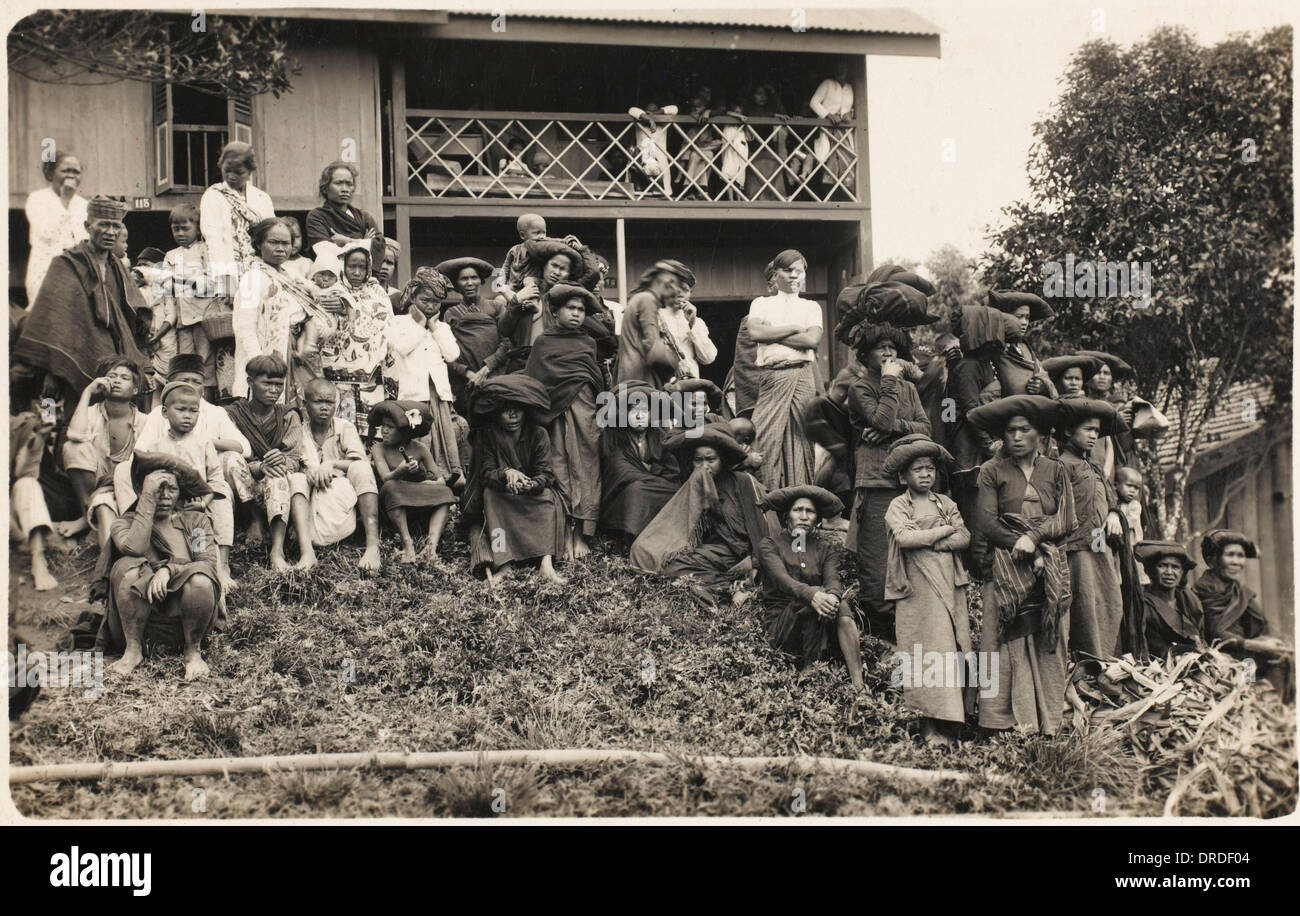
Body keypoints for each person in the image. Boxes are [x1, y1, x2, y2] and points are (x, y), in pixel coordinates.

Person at [968, 395, 1075, 735]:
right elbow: (986, 522)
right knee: (1000, 643)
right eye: (1010, 431)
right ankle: (1001, 723)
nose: (1015, 437)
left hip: (1050, 570)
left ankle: (1049, 722)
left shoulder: (1056, 470)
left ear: (1040, 435)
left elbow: (1067, 518)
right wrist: (1022, 544)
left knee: (1049, 640)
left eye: (1024, 430)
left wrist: (1037, 537)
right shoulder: (991, 471)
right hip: (1006, 568)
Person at [100, 452, 222, 681]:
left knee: (201, 579)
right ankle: (133, 651)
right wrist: (147, 499)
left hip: (187, 619)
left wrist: (168, 570)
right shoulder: (123, 524)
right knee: (128, 568)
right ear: (141, 491)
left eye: (172, 489)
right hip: (141, 623)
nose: (165, 496)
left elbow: (206, 563)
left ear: (181, 492)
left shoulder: (195, 522)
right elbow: (134, 548)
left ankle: (193, 652)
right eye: (158, 489)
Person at [13, 195, 150, 396]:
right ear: (87, 226)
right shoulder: (65, 264)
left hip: (114, 359)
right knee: (60, 409)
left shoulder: (118, 268)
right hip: (72, 352)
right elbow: (51, 317)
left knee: (108, 416)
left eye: (116, 226)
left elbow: (133, 315)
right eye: (104, 224)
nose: (111, 232)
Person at [883, 435, 972, 743]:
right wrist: (946, 530)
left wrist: (934, 538)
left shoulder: (945, 502)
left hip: (949, 585)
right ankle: (926, 724)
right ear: (902, 476)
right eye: (917, 469)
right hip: (917, 590)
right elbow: (905, 540)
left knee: (950, 648)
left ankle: (951, 723)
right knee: (921, 649)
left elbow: (965, 537)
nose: (925, 474)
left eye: (930, 469)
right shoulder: (899, 505)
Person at [844, 325, 930, 641]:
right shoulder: (860, 388)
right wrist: (891, 382)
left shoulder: (910, 389)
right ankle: (878, 635)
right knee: (878, 559)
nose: (889, 353)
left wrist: (895, 428)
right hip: (876, 481)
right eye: (881, 347)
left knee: (911, 554)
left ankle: (909, 627)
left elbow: (926, 428)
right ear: (865, 354)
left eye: (893, 348)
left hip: (907, 480)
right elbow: (878, 420)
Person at [136, 354, 250, 588]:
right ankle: (159, 558)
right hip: (170, 486)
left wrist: (202, 442)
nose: (191, 386)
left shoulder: (214, 413)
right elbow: (142, 453)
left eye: (197, 381)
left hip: (203, 487)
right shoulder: (160, 414)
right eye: (184, 380)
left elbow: (243, 448)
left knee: (219, 499)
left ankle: (221, 565)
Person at [631, 424, 774, 605]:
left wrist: (755, 563)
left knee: (684, 574)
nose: (704, 466)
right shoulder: (696, 484)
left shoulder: (743, 481)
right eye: (698, 460)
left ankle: (730, 589)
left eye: (710, 459)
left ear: (722, 460)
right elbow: (682, 521)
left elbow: (760, 526)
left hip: (741, 552)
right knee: (670, 566)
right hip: (713, 550)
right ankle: (727, 586)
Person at [125, 380, 234, 590]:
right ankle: (164, 569)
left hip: (197, 508)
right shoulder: (156, 447)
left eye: (193, 411)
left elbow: (215, 480)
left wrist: (203, 503)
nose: (188, 416)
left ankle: (219, 569)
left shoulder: (204, 443)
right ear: (165, 413)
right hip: (167, 508)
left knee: (204, 535)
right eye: (181, 410)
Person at [523, 283, 606, 560]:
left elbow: (596, 380)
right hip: (554, 415)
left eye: (581, 310)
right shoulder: (543, 342)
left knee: (587, 467)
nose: (576, 314)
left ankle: (582, 531)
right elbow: (534, 382)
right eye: (570, 308)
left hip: (585, 413)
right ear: (555, 312)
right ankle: (564, 529)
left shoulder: (588, 343)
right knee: (559, 465)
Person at [464, 374, 567, 585]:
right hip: (503, 494)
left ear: (525, 411)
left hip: (531, 494)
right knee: (490, 497)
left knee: (548, 498)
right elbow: (486, 473)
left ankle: (545, 562)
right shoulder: (489, 435)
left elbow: (546, 474)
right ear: (496, 412)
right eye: (505, 410)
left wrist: (531, 484)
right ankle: (504, 562)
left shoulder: (538, 434)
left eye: (517, 409)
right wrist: (506, 473)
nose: (512, 415)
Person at [757, 485, 863, 689]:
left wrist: (832, 596)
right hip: (783, 623)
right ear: (787, 515)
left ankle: (858, 685)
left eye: (810, 511)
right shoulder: (770, 545)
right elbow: (783, 581)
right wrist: (814, 595)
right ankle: (807, 671)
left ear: (818, 519)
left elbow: (832, 580)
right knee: (809, 600)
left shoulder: (826, 547)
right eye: (798, 510)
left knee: (838, 604)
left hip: (821, 615)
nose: (804, 516)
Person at [223, 354, 316, 572]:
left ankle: (277, 549)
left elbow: (294, 460)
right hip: (245, 486)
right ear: (250, 382)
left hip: (277, 488)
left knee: (277, 474)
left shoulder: (288, 416)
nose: (274, 390)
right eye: (267, 383)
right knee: (231, 459)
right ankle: (254, 520)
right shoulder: (233, 414)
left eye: (278, 385)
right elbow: (234, 451)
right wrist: (259, 467)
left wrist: (279, 461)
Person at [61, 357, 149, 581]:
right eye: (112, 376)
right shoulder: (91, 412)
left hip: (130, 486)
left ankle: (109, 560)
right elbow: (74, 436)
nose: (117, 381)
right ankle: (87, 514)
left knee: (107, 503)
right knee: (73, 448)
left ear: (136, 388)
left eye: (124, 377)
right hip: (98, 484)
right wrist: (88, 393)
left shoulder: (146, 421)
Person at [231, 218, 332, 406]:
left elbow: (311, 304)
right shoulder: (253, 278)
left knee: (303, 408)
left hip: (298, 352)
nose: (280, 248)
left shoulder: (291, 276)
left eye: (285, 243)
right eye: (273, 242)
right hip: (271, 354)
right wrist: (259, 364)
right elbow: (244, 327)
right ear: (259, 244)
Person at [1055, 398, 1127, 659]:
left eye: (1097, 431)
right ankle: (1089, 661)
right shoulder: (1060, 466)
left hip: (1100, 543)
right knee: (1085, 604)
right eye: (1088, 430)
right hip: (1076, 547)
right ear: (1067, 432)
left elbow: (1111, 498)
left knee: (1108, 600)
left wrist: (1114, 515)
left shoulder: (1093, 466)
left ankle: (1107, 659)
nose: (1093, 436)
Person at [748, 249, 823, 490]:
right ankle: (768, 503)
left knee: (802, 441)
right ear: (776, 274)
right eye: (787, 270)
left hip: (802, 375)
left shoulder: (811, 307)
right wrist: (793, 328)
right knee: (765, 439)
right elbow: (756, 333)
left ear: (804, 275)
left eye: (798, 271)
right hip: (773, 375)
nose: (793, 276)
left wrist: (774, 334)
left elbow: (812, 341)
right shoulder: (761, 303)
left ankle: (801, 501)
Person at [385, 269, 463, 484]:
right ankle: (418, 479)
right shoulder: (399, 322)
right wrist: (420, 325)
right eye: (425, 300)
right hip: (413, 394)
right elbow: (401, 347)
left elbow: (452, 354)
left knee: (441, 441)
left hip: (437, 396)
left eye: (436, 302)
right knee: (418, 439)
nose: (430, 306)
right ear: (413, 297)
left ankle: (442, 480)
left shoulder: (442, 327)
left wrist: (433, 327)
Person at [300, 379, 382, 571]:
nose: (324, 408)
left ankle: (372, 546)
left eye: (329, 403)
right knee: (297, 480)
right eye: (318, 402)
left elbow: (359, 461)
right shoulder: (301, 431)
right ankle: (306, 548)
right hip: (314, 496)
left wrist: (332, 464)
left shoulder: (344, 427)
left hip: (343, 494)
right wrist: (311, 472)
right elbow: (296, 463)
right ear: (305, 405)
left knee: (362, 469)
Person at [321, 239, 396, 433]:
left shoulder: (377, 291)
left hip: (371, 375)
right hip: (338, 373)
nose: (356, 272)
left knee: (371, 430)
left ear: (369, 267)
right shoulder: (334, 290)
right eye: (352, 266)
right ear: (343, 266)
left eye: (362, 267)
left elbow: (386, 323)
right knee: (343, 427)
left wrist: (351, 309)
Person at [368, 400, 456, 565]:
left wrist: (427, 483)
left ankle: (431, 547)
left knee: (446, 493)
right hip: (389, 505)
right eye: (383, 426)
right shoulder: (378, 448)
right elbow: (385, 477)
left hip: (414, 501)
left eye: (390, 427)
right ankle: (407, 543)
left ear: (405, 431)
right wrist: (400, 471)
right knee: (391, 487)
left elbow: (441, 481)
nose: (384, 431)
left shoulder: (420, 449)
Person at [598, 381, 681, 542]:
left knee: (678, 492)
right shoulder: (613, 435)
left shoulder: (659, 434)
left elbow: (672, 470)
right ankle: (632, 536)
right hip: (622, 494)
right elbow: (621, 470)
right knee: (636, 490)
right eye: (633, 411)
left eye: (644, 411)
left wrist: (655, 470)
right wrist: (651, 475)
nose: (639, 416)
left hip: (655, 488)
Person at [161, 204, 224, 399]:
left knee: (204, 360)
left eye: (185, 228)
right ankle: (187, 398)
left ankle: (207, 400)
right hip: (182, 319)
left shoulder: (206, 250)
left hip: (204, 316)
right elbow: (163, 287)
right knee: (185, 361)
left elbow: (211, 282)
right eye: (175, 229)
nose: (180, 233)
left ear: (198, 228)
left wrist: (181, 279)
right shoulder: (170, 255)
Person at [200, 142, 276, 301]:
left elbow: (272, 235)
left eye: (239, 172)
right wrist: (226, 281)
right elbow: (214, 240)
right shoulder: (213, 196)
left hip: (263, 268)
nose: (231, 176)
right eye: (227, 171)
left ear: (250, 171)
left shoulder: (262, 198)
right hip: (231, 269)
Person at [437, 257, 510, 413]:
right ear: (456, 285)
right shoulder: (451, 313)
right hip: (465, 382)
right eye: (464, 279)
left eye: (474, 277)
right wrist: (469, 374)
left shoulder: (496, 306)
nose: (469, 283)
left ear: (481, 281)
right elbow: (445, 351)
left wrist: (485, 370)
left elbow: (507, 342)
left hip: (494, 376)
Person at [499, 237, 587, 353]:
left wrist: (582, 250)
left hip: (553, 358)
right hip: (521, 361)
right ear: (544, 265)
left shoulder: (568, 299)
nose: (557, 272)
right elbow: (503, 330)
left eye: (563, 269)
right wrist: (516, 300)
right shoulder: (526, 291)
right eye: (554, 265)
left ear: (569, 274)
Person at [616, 260, 695, 388]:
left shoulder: (641, 299)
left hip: (634, 380)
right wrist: (677, 362)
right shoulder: (647, 301)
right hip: (641, 381)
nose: (675, 290)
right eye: (673, 283)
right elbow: (654, 351)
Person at [25, 150, 89, 306]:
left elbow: (84, 240)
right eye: (65, 171)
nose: (71, 176)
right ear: (51, 173)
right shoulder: (37, 199)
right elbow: (47, 233)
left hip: (76, 273)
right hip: (45, 269)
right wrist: (65, 200)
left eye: (76, 172)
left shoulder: (83, 204)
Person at [10, 409, 64, 591]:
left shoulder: (18, 425)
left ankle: (38, 559)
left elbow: (23, 473)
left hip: (11, 513)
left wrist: (40, 437)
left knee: (27, 484)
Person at [305, 160, 384, 268]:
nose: (345, 189)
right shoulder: (317, 216)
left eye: (349, 184)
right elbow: (324, 251)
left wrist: (348, 241)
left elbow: (379, 246)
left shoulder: (364, 217)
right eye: (338, 183)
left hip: (364, 275)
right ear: (325, 187)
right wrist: (364, 243)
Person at [1135, 540, 1204, 657]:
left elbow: (1201, 639)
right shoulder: (1143, 603)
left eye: (1175, 567)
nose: (1169, 572)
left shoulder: (1189, 600)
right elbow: (1155, 648)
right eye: (1162, 566)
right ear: (1150, 570)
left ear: (1182, 572)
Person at [987, 289, 1056, 397]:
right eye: (1018, 317)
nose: (1024, 322)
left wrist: (1042, 386)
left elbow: (1043, 376)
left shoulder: (1025, 347)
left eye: (1027, 317)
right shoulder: (990, 349)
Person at [806, 61, 855, 193]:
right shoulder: (827, 83)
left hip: (844, 132)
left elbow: (852, 108)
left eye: (844, 67)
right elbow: (814, 103)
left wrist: (849, 114)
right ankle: (827, 195)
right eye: (838, 67)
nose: (841, 70)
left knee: (847, 161)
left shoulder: (850, 88)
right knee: (827, 160)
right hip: (828, 129)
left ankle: (844, 194)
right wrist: (828, 115)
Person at [658, 271, 716, 380]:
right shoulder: (654, 317)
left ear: (690, 293)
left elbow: (708, 358)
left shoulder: (697, 322)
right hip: (661, 384)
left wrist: (692, 323)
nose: (680, 293)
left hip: (689, 385)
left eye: (686, 290)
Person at [736, 84, 788, 201]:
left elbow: (783, 113)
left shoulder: (769, 109)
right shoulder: (748, 108)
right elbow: (753, 115)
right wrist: (773, 115)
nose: (762, 97)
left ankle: (778, 197)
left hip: (768, 149)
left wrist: (774, 93)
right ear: (752, 96)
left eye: (764, 94)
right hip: (753, 150)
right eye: (758, 94)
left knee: (775, 169)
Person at [499, 213, 549, 292]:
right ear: (523, 235)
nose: (542, 236)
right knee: (500, 299)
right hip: (513, 289)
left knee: (528, 281)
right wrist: (501, 282)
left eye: (544, 232)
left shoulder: (544, 251)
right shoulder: (514, 250)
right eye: (537, 233)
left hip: (533, 289)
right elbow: (505, 268)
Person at [280, 216, 313, 281]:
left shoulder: (307, 263)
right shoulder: (276, 262)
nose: (293, 242)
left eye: (297, 236)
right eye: (288, 237)